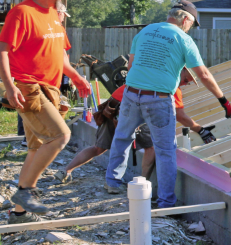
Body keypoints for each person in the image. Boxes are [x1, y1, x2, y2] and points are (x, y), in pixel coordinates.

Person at [105, 0, 231, 208]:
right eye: (192, 24)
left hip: (131, 93)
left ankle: (112, 182)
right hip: (159, 99)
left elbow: (131, 64)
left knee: (122, 137)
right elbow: (204, 75)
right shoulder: (184, 40)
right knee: (165, 150)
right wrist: (222, 99)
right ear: (185, 19)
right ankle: (166, 201)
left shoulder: (146, 31)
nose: (190, 28)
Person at [0, 0, 92, 223]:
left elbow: (60, 56)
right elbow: (0, 51)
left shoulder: (53, 15)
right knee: (61, 136)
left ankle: (19, 215)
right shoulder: (21, 13)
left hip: (50, 89)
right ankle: (25, 193)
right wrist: (10, 86)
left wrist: (76, 76)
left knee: (37, 147)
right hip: (28, 87)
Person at [56, 68, 212, 183]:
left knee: (99, 148)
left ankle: (66, 170)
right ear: (180, 71)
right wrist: (200, 129)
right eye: (186, 80)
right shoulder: (170, 85)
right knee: (151, 146)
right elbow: (180, 116)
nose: (185, 84)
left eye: (188, 83)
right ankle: (142, 184)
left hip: (115, 104)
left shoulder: (154, 73)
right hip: (130, 108)